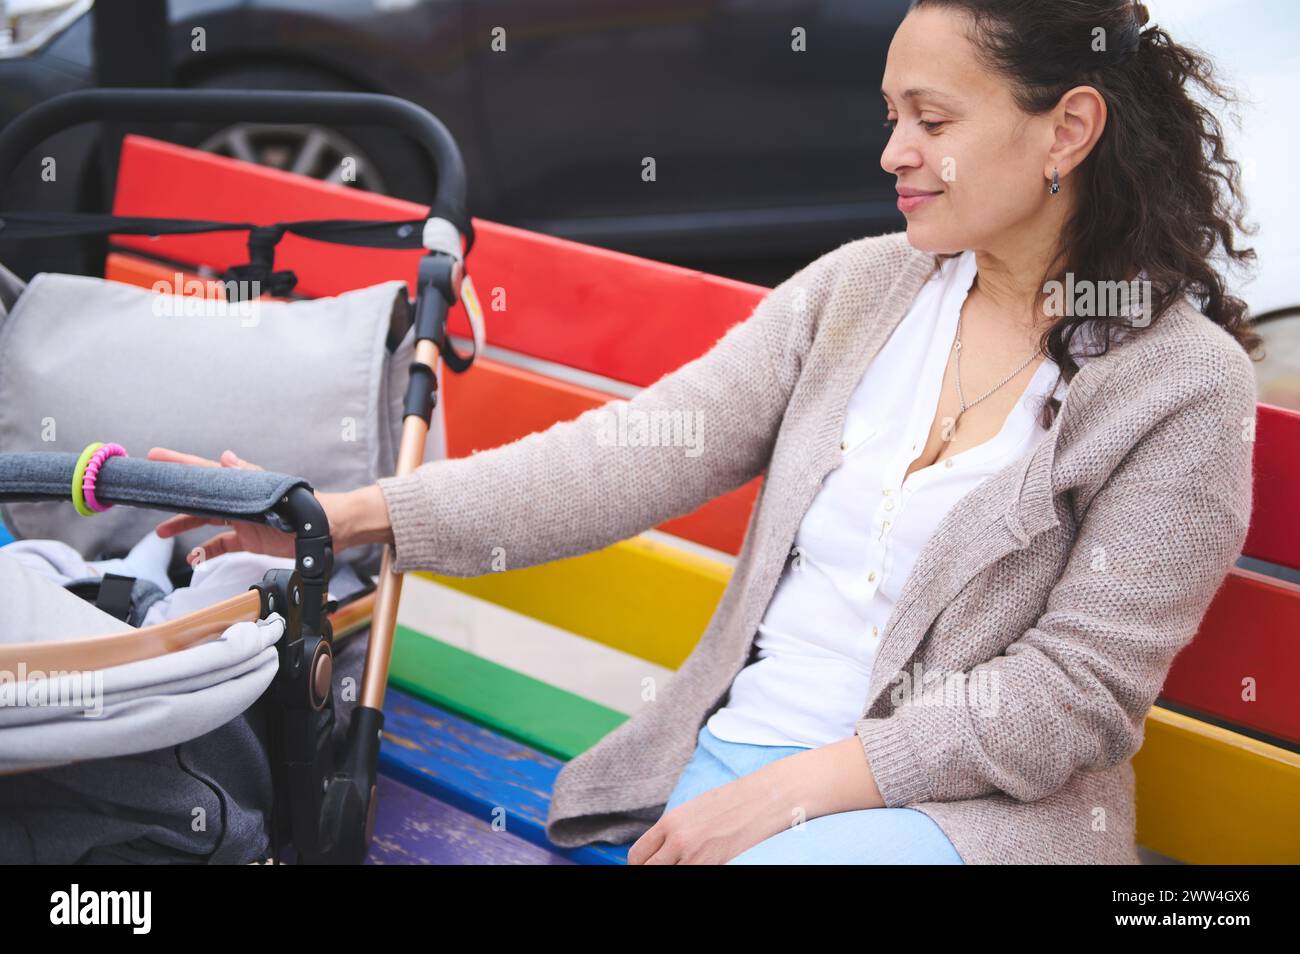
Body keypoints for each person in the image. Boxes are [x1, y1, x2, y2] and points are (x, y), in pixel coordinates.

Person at [153, 0, 1261, 864]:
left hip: (960, 818)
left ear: (1066, 126)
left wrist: (792, 794)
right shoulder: (860, 293)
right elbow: (626, 457)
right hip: (729, 763)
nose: (892, 153)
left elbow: (1070, 693)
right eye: (890, 118)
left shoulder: (1177, 385)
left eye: (933, 120)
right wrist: (337, 517)